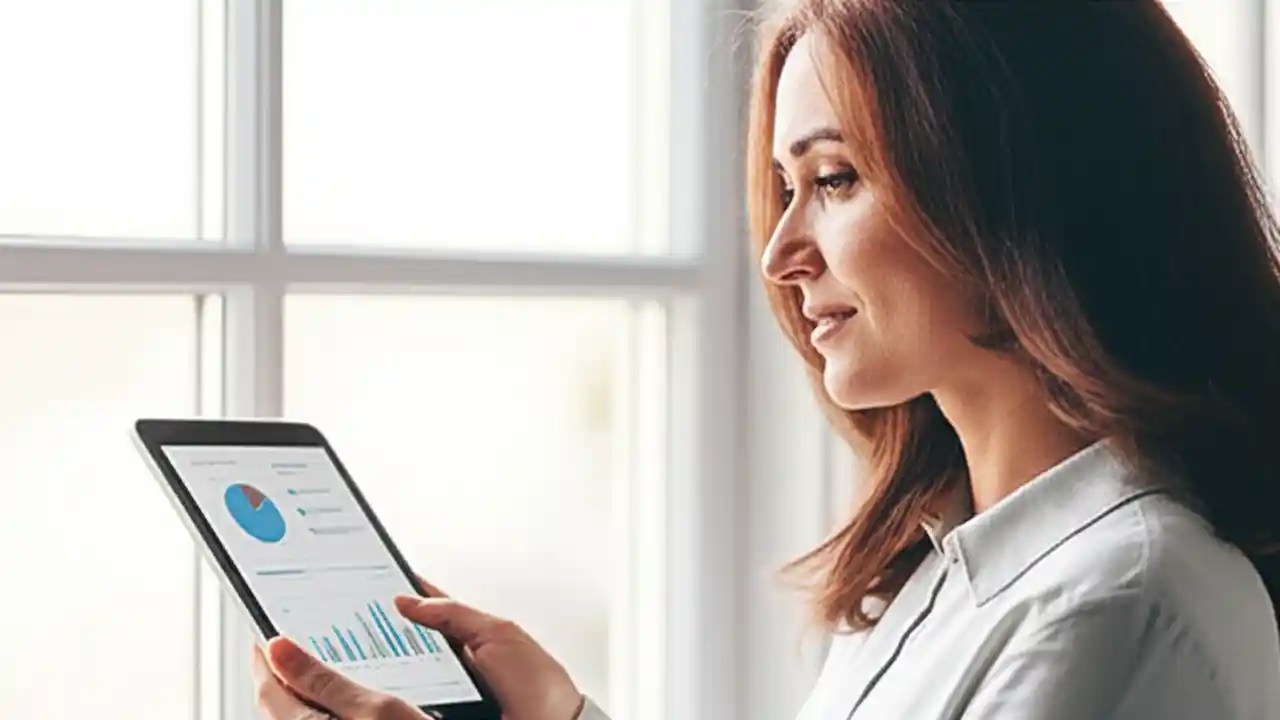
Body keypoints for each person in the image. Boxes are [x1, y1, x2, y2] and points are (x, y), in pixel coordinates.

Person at [252, 2, 1280, 718]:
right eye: (784, 186)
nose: (781, 253)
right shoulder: (949, 575)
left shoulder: (1116, 601)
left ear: (1017, 189)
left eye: (832, 179)